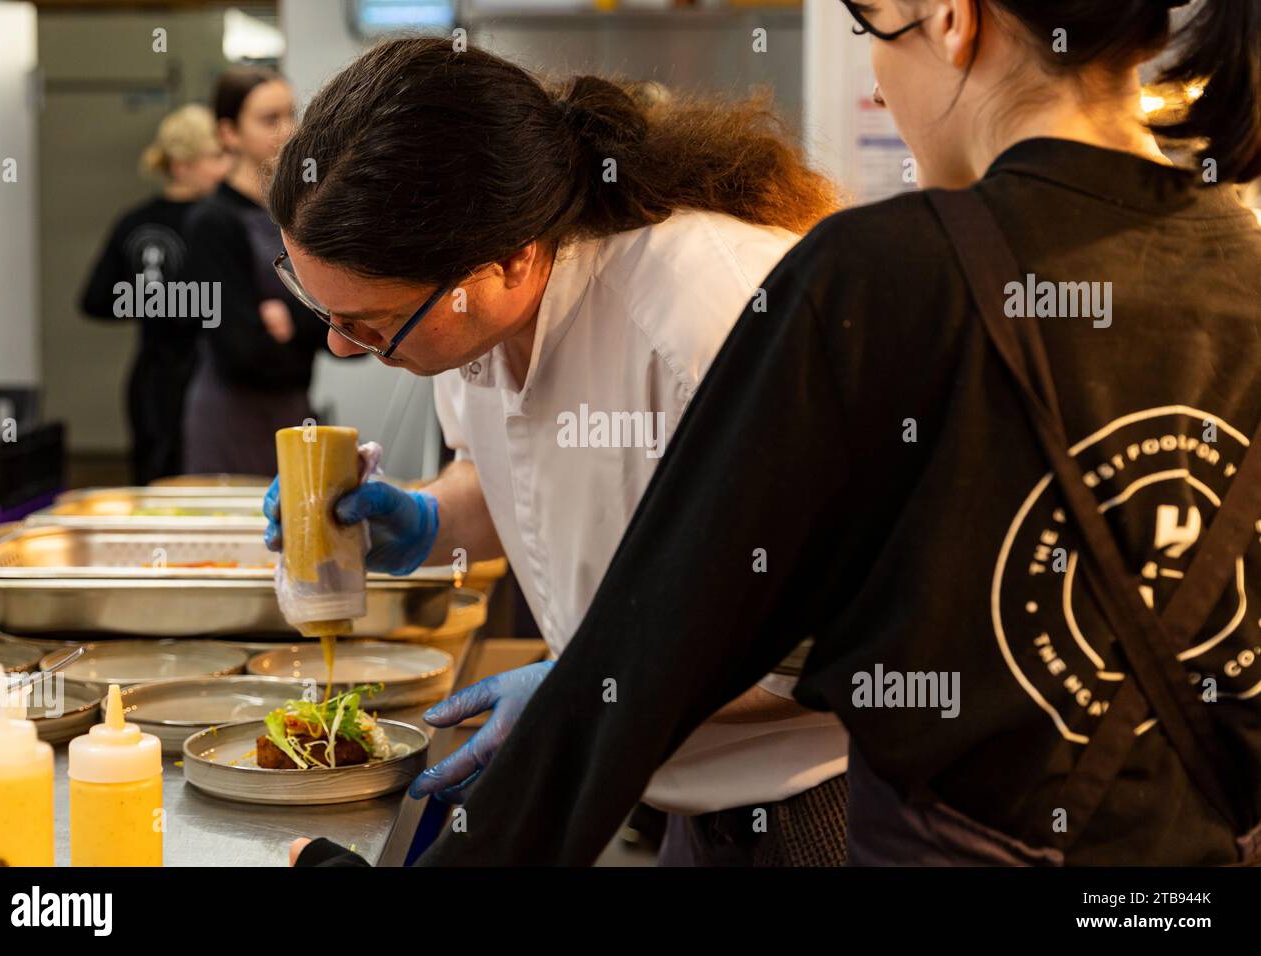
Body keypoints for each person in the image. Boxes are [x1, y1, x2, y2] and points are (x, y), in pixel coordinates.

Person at [395, 0, 1261, 866]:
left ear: (954, 19)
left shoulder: (873, 280)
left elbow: (640, 666)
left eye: (871, 29)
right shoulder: (1246, 270)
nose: (880, 92)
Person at [265, 37, 852, 865]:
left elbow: (841, 626)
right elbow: (515, 485)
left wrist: (594, 689)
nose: (340, 348)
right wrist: (426, 521)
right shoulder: (465, 325)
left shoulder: (716, 314)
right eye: (317, 305)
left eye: (369, 322)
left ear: (510, 256)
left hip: (821, 800)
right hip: (682, 781)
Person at [182, 66, 329, 477]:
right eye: (269, 120)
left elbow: (346, 330)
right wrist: (310, 320)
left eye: (291, 114)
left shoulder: (303, 215)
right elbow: (240, 350)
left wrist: (290, 320)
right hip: (230, 420)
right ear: (229, 133)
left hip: (294, 411)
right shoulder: (212, 222)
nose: (288, 130)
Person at [79, 104, 229, 483]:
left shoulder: (223, 220)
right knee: (157, 479)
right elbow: (94, 299)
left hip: (212, 371)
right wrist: (169, 303)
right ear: (181, 166)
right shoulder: (142, 224)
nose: (224, 167)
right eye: (214, 157)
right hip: (160, 377)